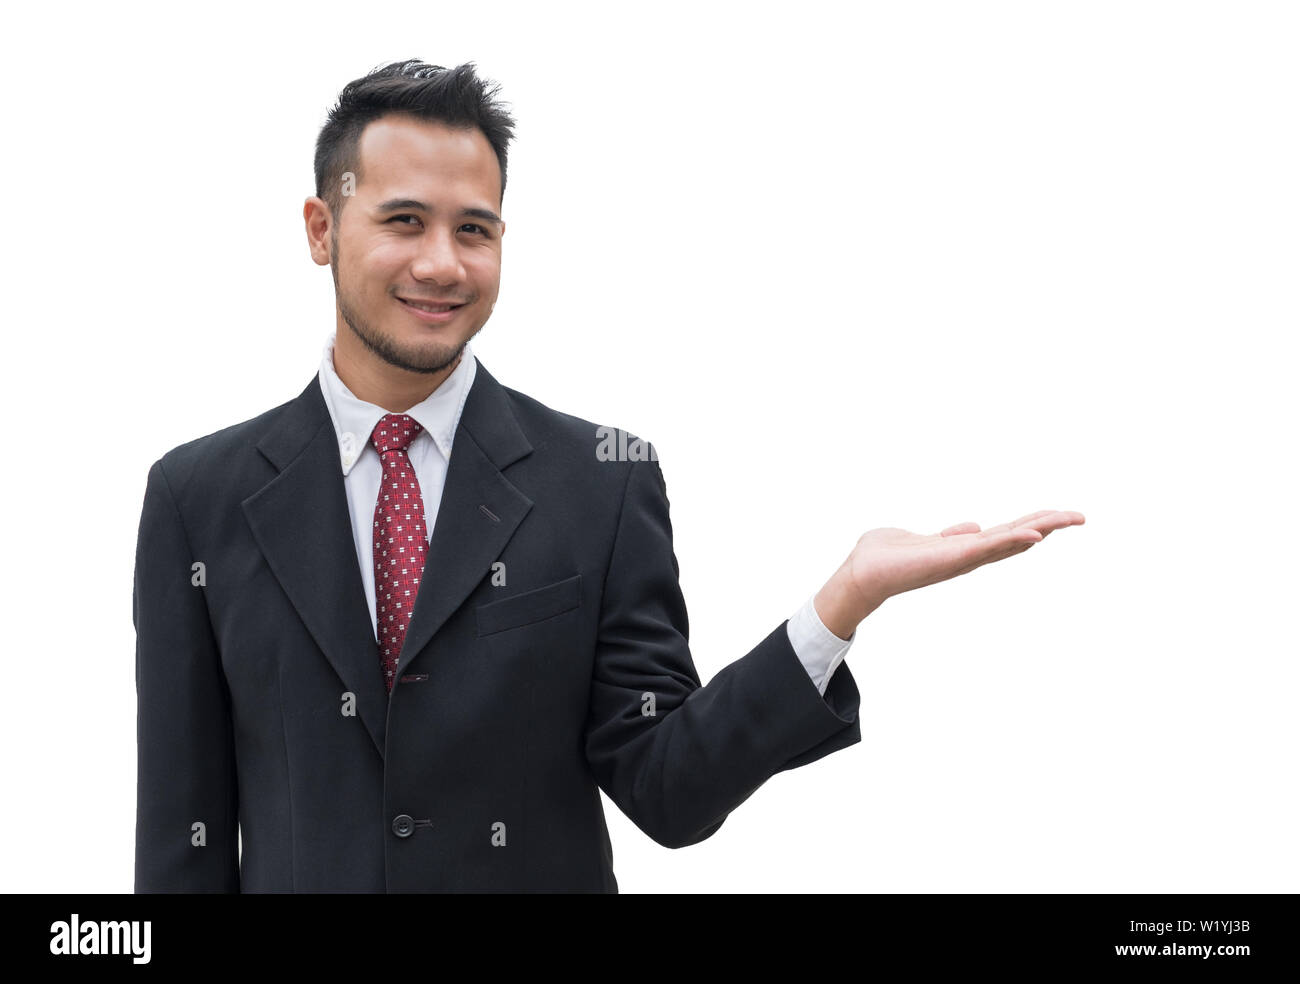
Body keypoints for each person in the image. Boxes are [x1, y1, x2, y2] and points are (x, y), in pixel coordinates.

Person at [133, 59, 1084, 893]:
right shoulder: (196, 500)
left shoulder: (601, 482)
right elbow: (182, 839)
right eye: (404, 221)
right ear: (320, 228)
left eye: (475, 229)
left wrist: (841, 603)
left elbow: (668, 788)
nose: (442, 263)